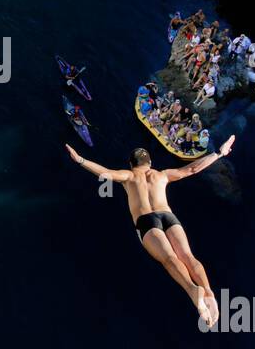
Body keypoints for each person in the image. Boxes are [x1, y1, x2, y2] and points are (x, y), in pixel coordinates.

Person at [65, 135, 236, 325]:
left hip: (147, 221)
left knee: (170, 259)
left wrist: (80, 159)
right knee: (188, 256)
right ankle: (208, 291)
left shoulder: (129, 176)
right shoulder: (162, 175)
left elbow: (105, 173)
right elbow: (192, 169)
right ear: (150, 163)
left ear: (131, 164)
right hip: (169, 216)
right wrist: (219, 153)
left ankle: (192, 289)